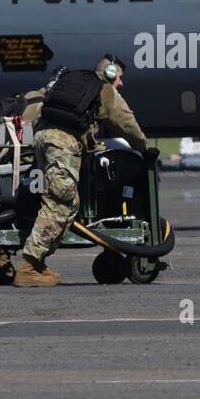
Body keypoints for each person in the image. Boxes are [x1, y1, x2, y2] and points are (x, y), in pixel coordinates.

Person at [17, 54, 147, 287]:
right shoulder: (105, 90)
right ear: (109, 73)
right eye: (120, 77)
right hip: (62, 144)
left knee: (70, 203)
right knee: (61, 202)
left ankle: (37, 264)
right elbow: (128, 123)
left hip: (43, 138)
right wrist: (144, 148)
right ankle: (28, 266)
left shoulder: (73, 82)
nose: (121, 83)